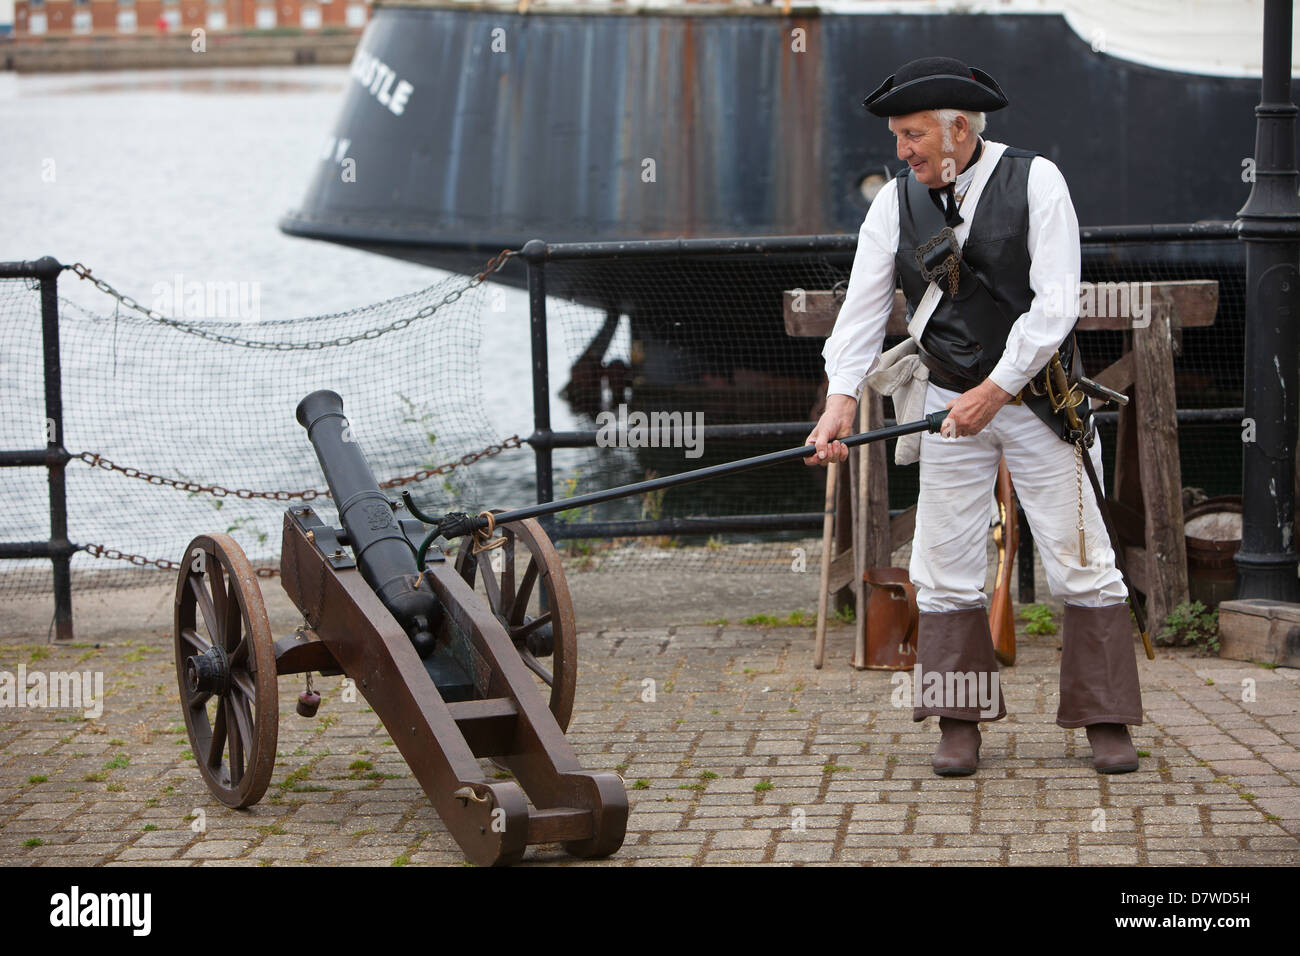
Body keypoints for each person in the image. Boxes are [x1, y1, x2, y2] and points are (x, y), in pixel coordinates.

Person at [805, 56, 1143, 776]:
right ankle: (958, 719)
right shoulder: (894, 205)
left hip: (1040, 402)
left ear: (957, 129)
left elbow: (1056, 305)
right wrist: (838, 403)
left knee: (1082, 560)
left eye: (913, 134)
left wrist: (997, 389)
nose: (901, 151)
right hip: (945, 400)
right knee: (945, 564)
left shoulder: (1037, 181)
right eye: (897, 136)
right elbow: (863, 311)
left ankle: (1106, 715)